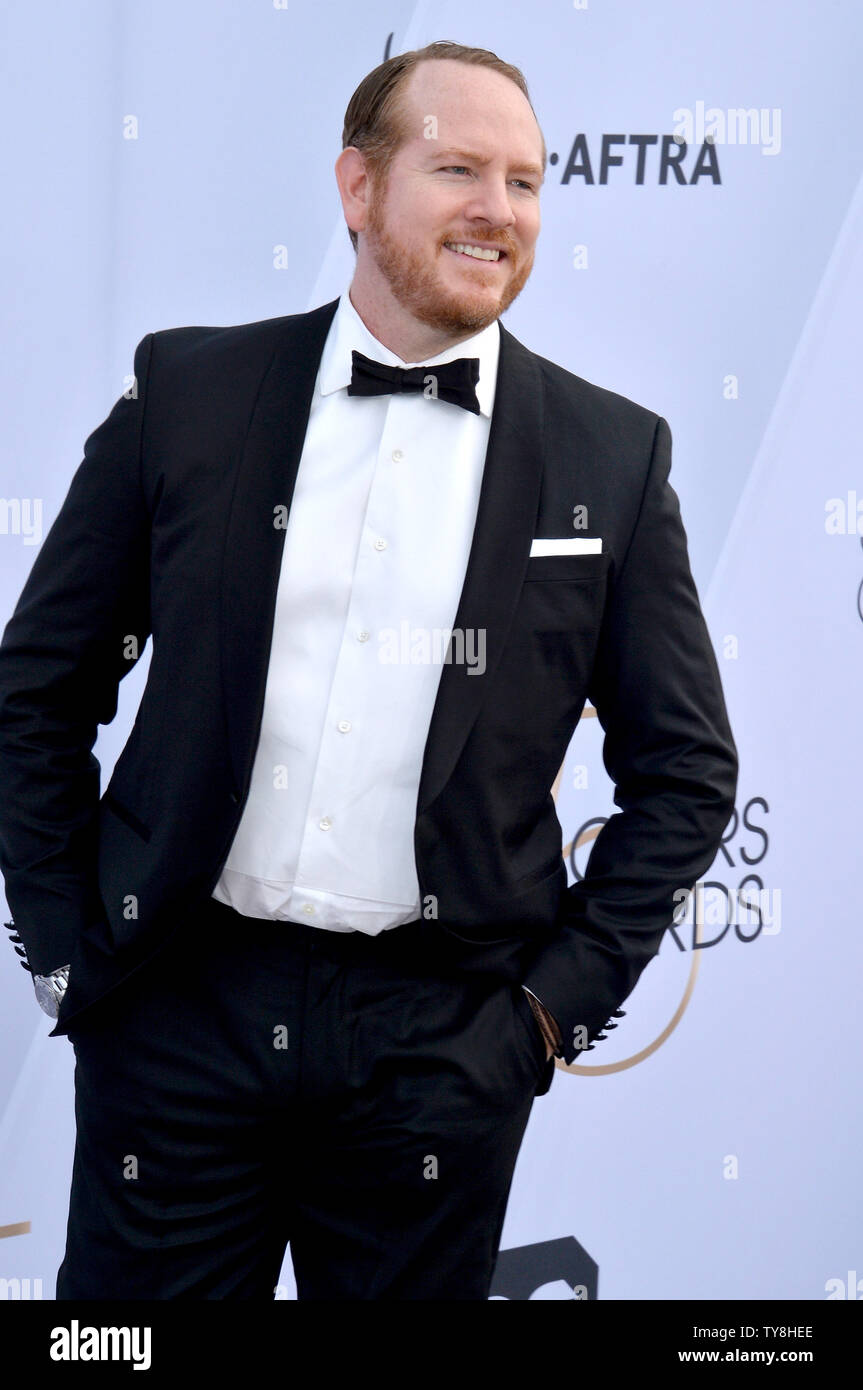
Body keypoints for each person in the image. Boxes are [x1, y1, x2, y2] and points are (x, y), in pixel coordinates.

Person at [0, 40, 738, 1300]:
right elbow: (38, 689)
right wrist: (74, 956)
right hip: (179, 1013)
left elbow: (684, 768)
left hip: (440, 1050)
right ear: (357, 187)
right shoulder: (188, 395)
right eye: (457, 169)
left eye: (525, 180)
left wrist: (545, 1013)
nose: (497, 211)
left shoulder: (610, 455)